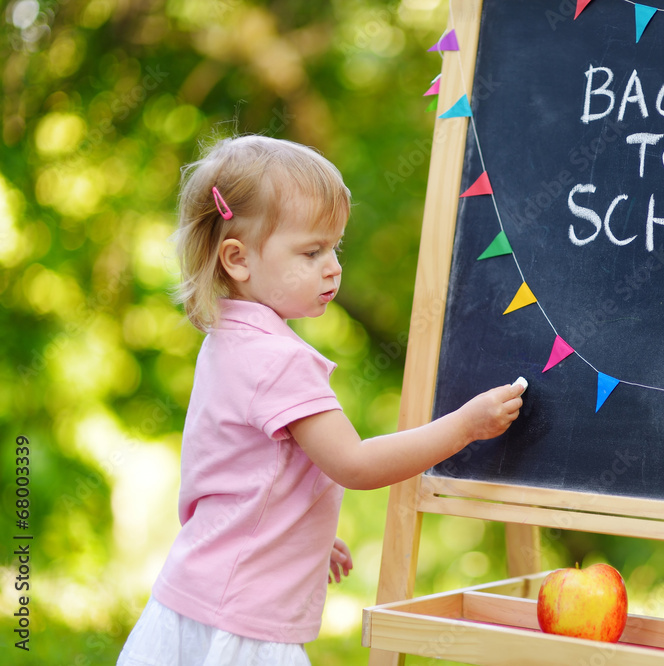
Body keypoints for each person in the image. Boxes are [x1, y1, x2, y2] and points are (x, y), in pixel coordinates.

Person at [117, 135, 524, 665]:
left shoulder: (228, 342)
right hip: (240, 626)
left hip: (195, 600)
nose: (332, 267)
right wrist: (464, 426)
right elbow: (355, 463)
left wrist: (297, 535)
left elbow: (241, 478)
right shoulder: (280, 360)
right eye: (311, 252)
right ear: (237, 259)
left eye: (335, 247)